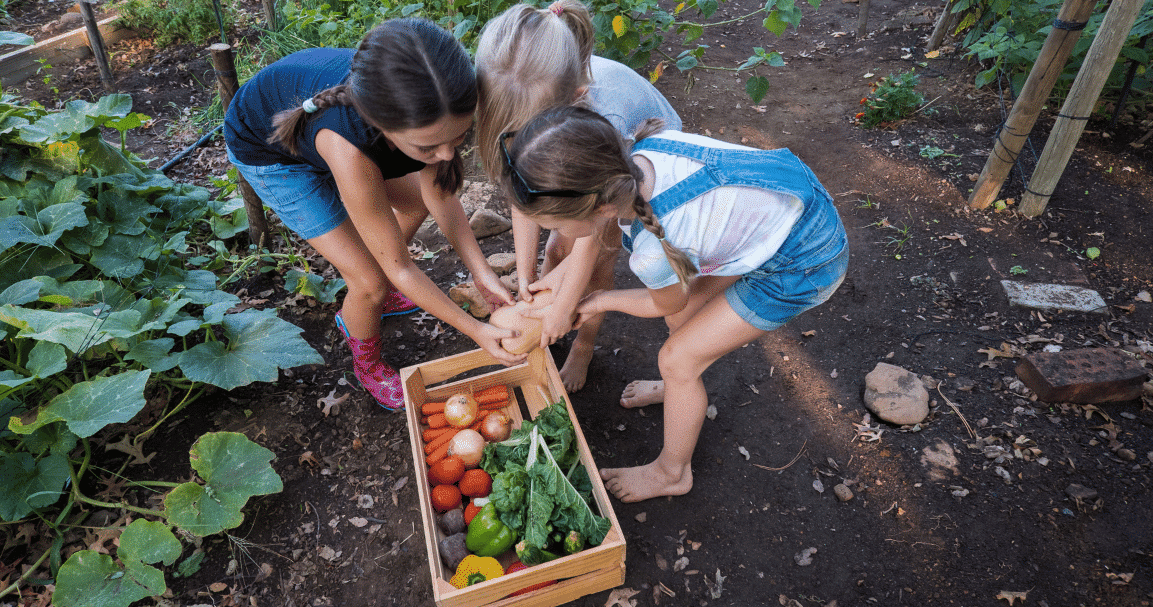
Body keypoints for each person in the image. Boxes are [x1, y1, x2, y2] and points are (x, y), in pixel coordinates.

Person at [498, 106, 849, 502]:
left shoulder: (653, 249)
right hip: (785, 204)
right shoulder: (636, 160)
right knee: (685, 322)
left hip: (802, 261)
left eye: (557, 226)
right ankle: (677, 390)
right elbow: (600, 243)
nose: (556, 234)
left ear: (600, 208)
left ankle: (672, 472)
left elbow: (664, 303)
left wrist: (597, 301)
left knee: (677, 359)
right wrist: (555, 285)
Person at [224, 18, 523, 411]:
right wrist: (476, 330)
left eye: (458, 137)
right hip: (269, 150)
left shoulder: (430, 108)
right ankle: (367, 363)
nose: (447, 154)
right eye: (429, 148)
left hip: (327, 133)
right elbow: (403, 268)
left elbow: (440, 199)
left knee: (413, 204)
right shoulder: (351, 149)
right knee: (369, 282)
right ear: (384, 127)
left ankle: (376, 289)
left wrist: (482, 274)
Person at [475, 0, 682, 392]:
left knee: (597, 260)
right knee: (557, 249)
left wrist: (567, 304)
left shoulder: (606, 122)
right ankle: (548, 317)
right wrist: (526, 274)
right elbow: (523, 194)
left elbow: (594, 238)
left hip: (636, 166)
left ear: (575, 99)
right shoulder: (526, 99)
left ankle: (584, 346)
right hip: (583, 165)